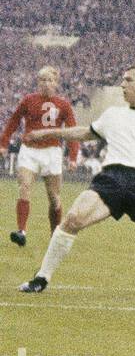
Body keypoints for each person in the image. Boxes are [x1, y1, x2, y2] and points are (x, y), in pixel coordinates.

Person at [16, 64, 135, 304]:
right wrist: (47, 133)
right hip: (110, 180)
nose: (122, 84)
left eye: (128, 80)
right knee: (73, 218)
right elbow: (84, 133)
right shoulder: (113, 114)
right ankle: (41, 279)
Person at [2, 66, 78, 248]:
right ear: (38, 82)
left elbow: (72, 132)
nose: (46, 83)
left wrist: (73, 156)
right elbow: (13, 121)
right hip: (30, 150)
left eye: (50, 80)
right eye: (42, 80)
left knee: (54, 198)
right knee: (25, 187)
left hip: (52, 152)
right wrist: (3, 143)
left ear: (56, 83)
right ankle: (21, 231)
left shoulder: (64, 104)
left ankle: (55, 235)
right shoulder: (28, 100)